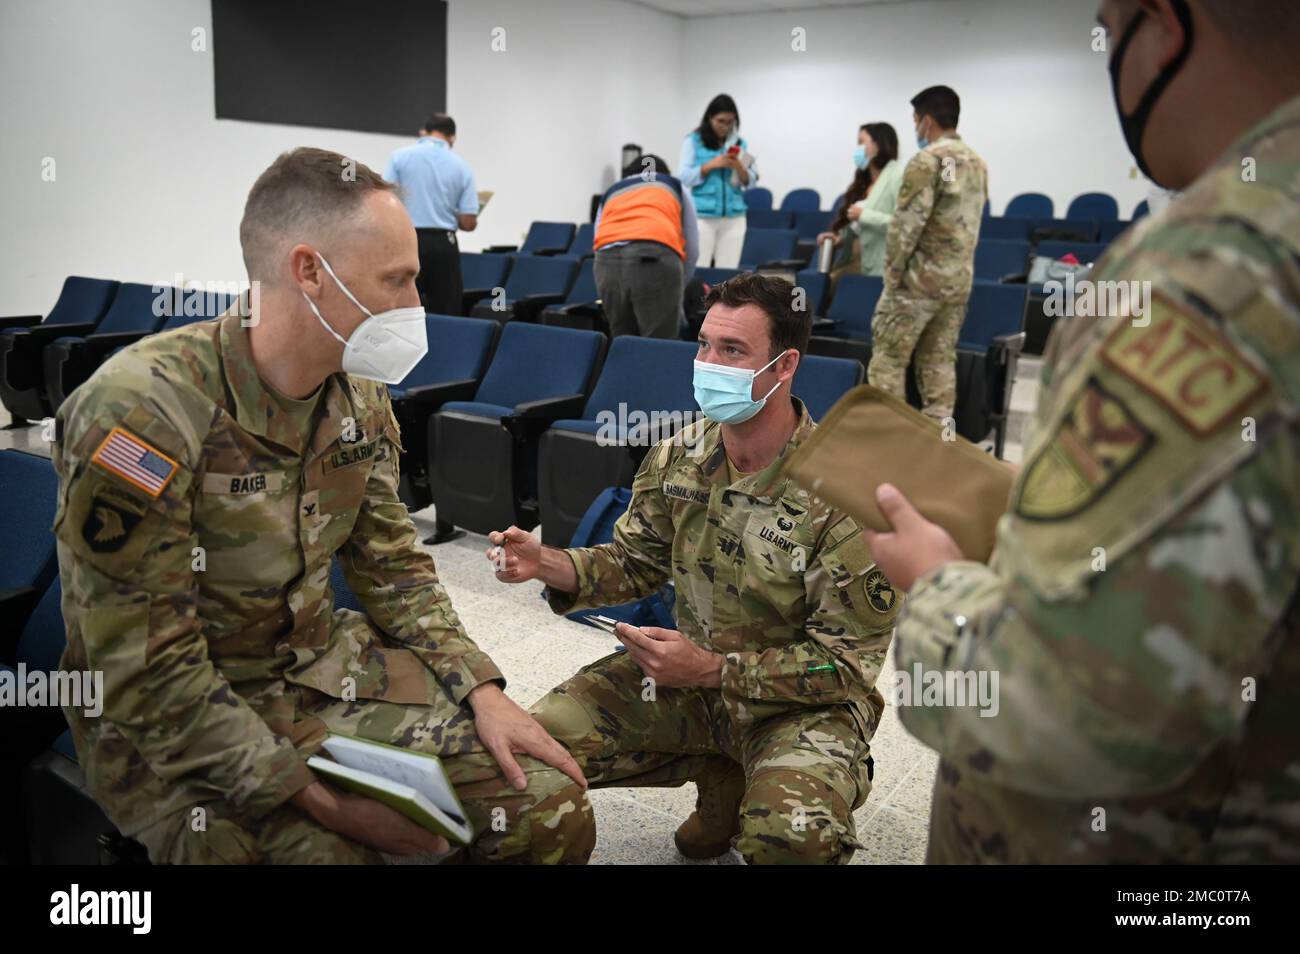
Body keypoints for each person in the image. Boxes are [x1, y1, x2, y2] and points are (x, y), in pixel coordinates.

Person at [52, 147, 594, 864]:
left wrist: (480, 685)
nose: (416, 308)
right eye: (397, 281)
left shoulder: (357, 392)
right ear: (309, 270)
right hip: (176, 723)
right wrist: (323, 803)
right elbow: (142, 666)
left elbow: (393, 565)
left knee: (548, 808)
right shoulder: (143, 411)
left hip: (318, 675)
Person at [856, 0, 1300, 863]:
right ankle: (946, 437)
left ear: (1163, 27)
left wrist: (937, 584)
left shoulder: (1213, 269)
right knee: (943, 379)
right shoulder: (981, 161)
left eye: (1108, 24)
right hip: (961, 285)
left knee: (889, 376)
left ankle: (902, 462)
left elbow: (1073, 705)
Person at [486, 273, 900, 864]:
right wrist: (543, 563)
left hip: (800, 708)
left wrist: (711, 669)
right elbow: (632, 563)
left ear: (784, 367)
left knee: (792, 840)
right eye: (704, 344)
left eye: (732, 351)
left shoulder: (847, 497)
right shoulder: (680, 453)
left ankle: (753, 783)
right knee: (525, 747)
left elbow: (846, 667)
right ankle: (722, 774)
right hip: (686, 680)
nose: (708, 362)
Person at [867, 86, 988, 423]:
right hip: (956, 285)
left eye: (916, 121)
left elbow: (906, 226)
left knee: (889, 362)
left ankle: (890, 443)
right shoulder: (977, 163)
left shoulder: (927, 160)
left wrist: (892, 277)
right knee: (938, 362)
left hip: (916, 285)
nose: (916, 128)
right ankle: (937, 445)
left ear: (927, 121)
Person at [591, 154, 700, 339]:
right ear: (664, 172)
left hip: (606, 261)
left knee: (622, 341)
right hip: (654, 256)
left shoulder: (612, 191)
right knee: (659, 344)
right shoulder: (673, 185)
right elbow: (692, 244)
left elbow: (597, 237)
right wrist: (679, 286)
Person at [383, 112, 478, 316]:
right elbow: (469, 223)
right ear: (452, 137)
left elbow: (386, 201)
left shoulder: (400, 157)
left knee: (402, 310)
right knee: (446, 311)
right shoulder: (463, 167)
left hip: (407, 240)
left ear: (423, 132)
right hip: (444, 244)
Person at [678, 94, 758, 269]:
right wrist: (710, 165)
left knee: (728, 272)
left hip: (734, 217)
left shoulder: (740, 144)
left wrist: (739, 167)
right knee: (699, 268)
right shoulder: (694, 141)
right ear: (710, 118)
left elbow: (751, 180)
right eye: (721, 121)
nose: (725, 127)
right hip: (702, 216)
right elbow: (684, 176)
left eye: (730, 122)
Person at [817, 123, 904, 283]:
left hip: (881, 263)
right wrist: (840, 238)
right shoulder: (863, 182)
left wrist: (864, 215)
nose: (858, 149)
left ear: (879, 144)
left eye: (861, 142)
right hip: (854, 259)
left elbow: (902, 223)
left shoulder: (898, 176)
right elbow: (859, 228)